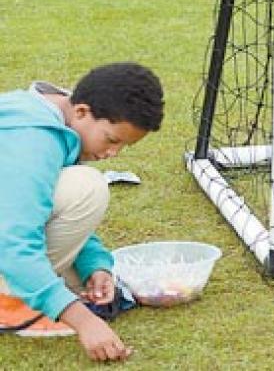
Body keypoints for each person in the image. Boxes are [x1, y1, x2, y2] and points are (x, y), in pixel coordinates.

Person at [0, 62, 164, 362]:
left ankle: (25, 292)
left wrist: (95, 266)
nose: (111, 154)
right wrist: (84, 322)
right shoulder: (33, 140)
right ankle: (9, 304)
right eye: (112, 140)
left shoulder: (46, 116)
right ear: (81, 112)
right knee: (86, 187)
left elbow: (36, 207)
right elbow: (12, 241)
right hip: (7, 243)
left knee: (82, 277)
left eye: (123, 147)